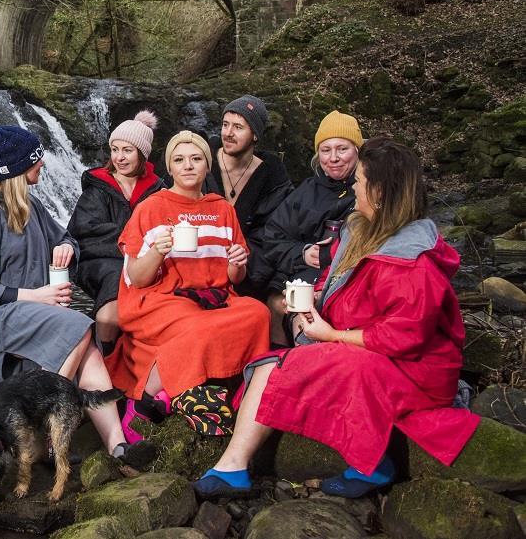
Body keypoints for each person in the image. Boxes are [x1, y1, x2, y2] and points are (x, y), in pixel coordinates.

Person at [194, 137, 481, 499]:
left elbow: (403, 338)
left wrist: (331, 335)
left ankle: (238, 467)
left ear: (379, 192)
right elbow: (345, 286)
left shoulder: (412, 263)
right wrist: (316, 299)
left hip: (413, 371)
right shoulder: (364, 230)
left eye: (359, 180)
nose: (353, 187)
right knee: (279, 361)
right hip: (379, 352)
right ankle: (242, 467)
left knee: (278, 368)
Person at [0, 122, 153, 465]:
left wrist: (66, 247)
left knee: (88, 348)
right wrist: (37, 296)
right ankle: (42, 425)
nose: (42, 163)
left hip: (29, 312)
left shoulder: (31, 204)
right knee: (78, 327)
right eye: (36, 159)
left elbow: (67, 237)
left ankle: (118, 446)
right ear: (18, 167)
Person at [106, 131, 270, 441]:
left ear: (208, 165)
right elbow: (136, 278)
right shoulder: (151, 208)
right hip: (163, 298)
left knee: (258, 313)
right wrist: (157, 252)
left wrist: (237, 261)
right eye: (179, 160)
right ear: (170, 167)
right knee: (195, 325)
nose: (188, 166)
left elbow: (234, 278)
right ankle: (145, 401)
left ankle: (199, 391)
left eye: (196, 159)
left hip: (215, 298)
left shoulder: (222, 208)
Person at [256, 110, 363, 345]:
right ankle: (281, 358)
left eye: (342, 149)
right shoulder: (305, 192)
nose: (333, 158)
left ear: (357, 150)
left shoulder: (368, 189)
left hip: (349, 280)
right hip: (302, 276)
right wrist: (303, 253)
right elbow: (273, 239)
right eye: (326, 150)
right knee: (275, 304)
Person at [68, 111, 166, 354]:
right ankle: (105, 356)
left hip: (148, 260)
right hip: (101, 259)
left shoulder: (157, 189)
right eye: (114, 149)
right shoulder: (98, 187)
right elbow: (85, 231)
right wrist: (132, 245)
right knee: (117, 279)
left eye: (127, 151)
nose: (119, 157)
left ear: (142, 153)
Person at [204, 96, 294, 298]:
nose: (228, 133)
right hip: (201, 263)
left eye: (238, 127)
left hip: (250, 270)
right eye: (225, 124)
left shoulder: (271, 175)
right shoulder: (202, 162)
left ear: (255, 134)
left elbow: (275, 232)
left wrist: (242, 261)